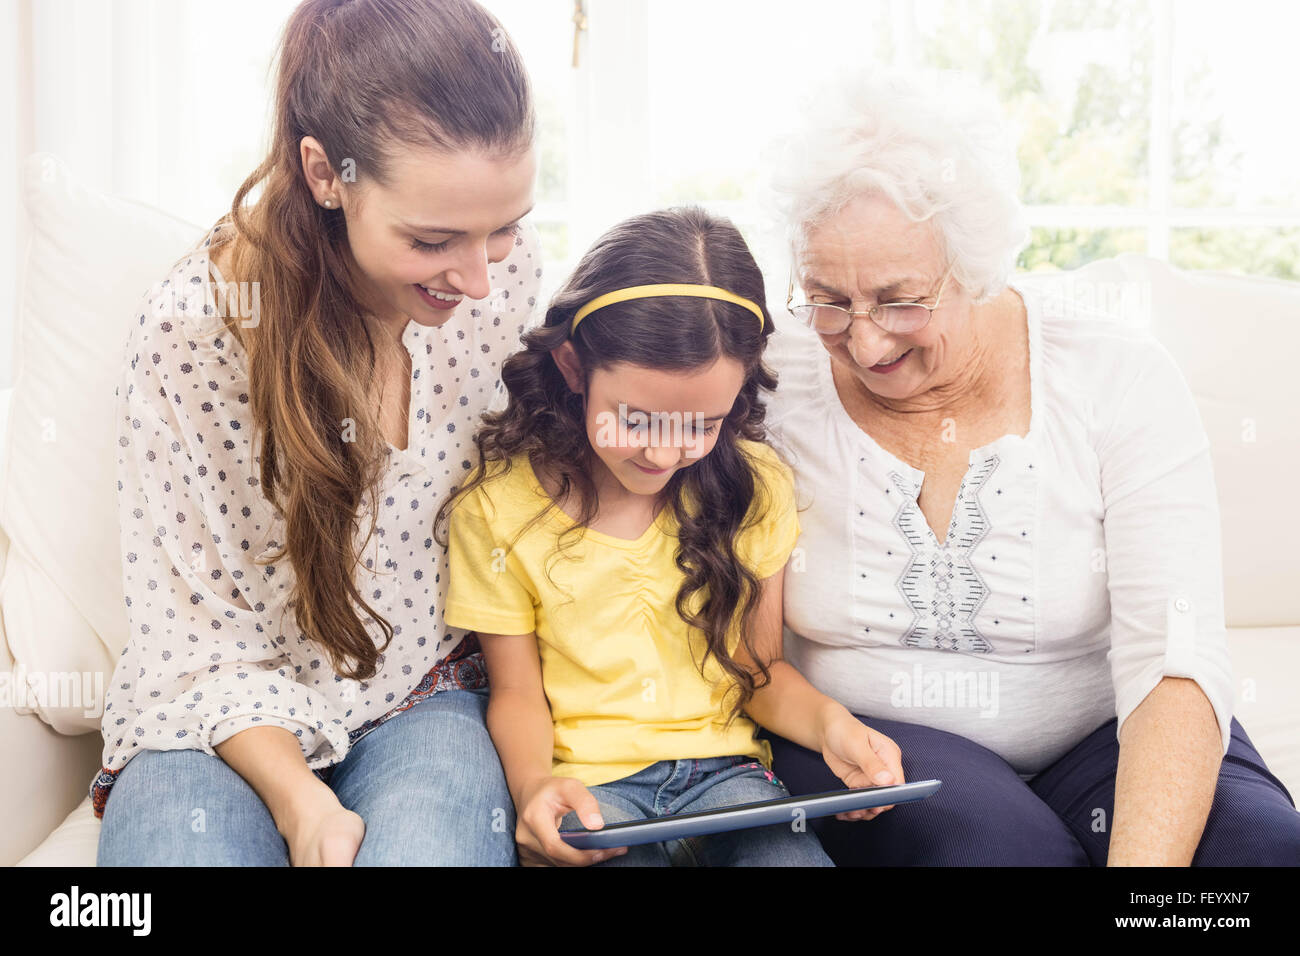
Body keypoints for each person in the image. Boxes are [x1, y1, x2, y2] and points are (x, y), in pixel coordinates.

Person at [758, 66, 1300, 865]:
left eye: (901, 300)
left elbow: (1173, 655)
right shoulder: (772, 379)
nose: (865, 342)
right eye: (829, 300)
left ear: (975, 267)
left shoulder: (1117, 375)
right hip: (877, 742)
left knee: (1264, 853)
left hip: (1103, 733)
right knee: (999, 855)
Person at [95, 0, 541, 866]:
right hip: (214, 717)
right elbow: (194, 636)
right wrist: (302, 806)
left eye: (506, 228)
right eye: (434, 240)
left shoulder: (498, 280)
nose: (482, 281)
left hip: (418, 692)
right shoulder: (195, 330)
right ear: (325, 174)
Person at [435, 206, 904, 867]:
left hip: (731, 782)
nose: (662, 454)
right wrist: (535, 786)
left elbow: (759, 672)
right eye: (635, 419)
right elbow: (516, 693)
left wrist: (835, 728)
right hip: (594, 791)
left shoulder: (755, 485)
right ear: (573, 367)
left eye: (701, 424)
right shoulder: (497, 509)